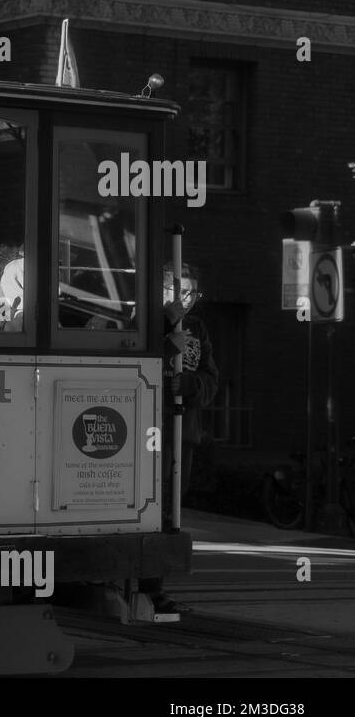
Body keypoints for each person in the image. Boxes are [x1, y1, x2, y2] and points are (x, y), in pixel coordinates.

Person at [140, 262, 218, 619]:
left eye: (190, 292)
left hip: (183, 430)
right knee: (148, 505)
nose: (183, 299)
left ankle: (156, 584)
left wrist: (189, 386)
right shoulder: (144, 322)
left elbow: (210, 380)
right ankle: (145, 585)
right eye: (177, 292)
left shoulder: (198, 329)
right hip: (149, 428)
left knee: (172, 506)